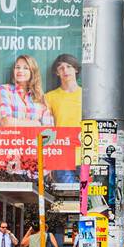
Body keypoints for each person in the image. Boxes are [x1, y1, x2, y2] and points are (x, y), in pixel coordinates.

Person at [44, 54, 82, 185]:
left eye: (69, 66)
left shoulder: (87, 95)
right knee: (67, 199)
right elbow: (47, 130)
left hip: (86, 155)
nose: (65, 70)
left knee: (91, 200)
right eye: (61, 68)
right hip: (62, 157)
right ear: (57, 72)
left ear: (76, 69)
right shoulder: (49, 97)